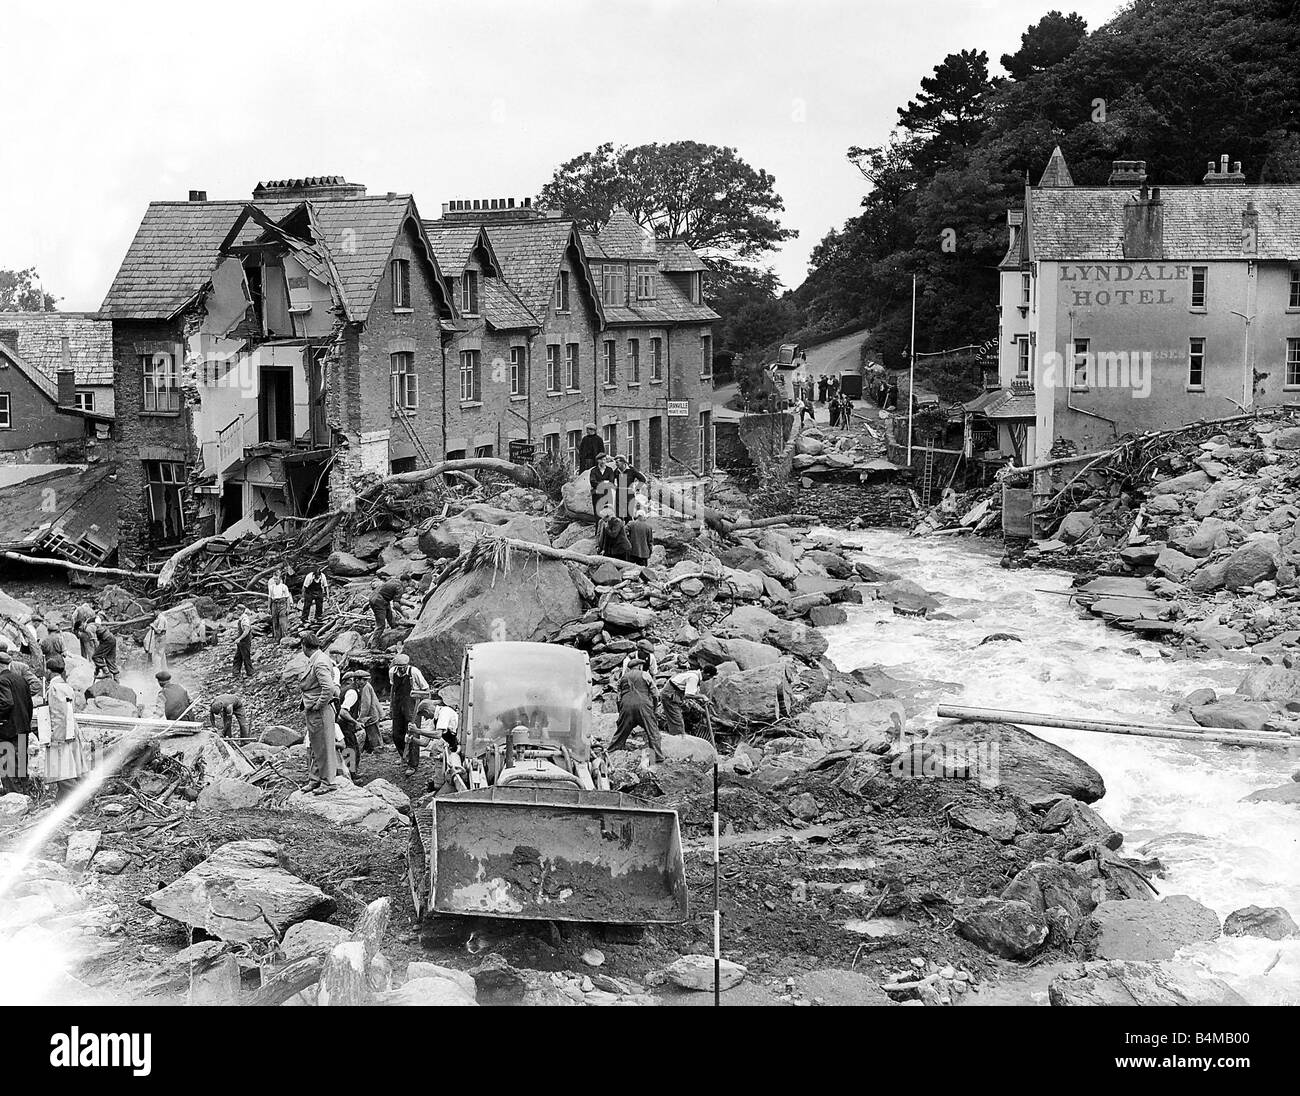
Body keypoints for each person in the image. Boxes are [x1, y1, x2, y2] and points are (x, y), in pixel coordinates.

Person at [42, 656, 86, 804]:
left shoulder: (55, 688)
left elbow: (59, 715)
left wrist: (55, 739)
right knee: (69, 769)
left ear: (49, 671)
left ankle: (77, 801)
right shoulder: (66, 686)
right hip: (70, 732)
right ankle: (60, 803)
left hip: (61, 735)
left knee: (63, 773)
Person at [299, 632, 338, 795]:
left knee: (325, 746)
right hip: (313, 709)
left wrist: (318, 704)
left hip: (319, 710)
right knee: (316, 746)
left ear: (304, 646)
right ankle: (315, 779)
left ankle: (328, 782)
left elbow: (329, 688)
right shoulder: (317, 659)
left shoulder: (319, 661)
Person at [611, 656, 664, 763]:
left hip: (626, 706)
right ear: (640, 667)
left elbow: (618, 698)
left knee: (621, 731)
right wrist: (653, 709)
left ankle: (612, 752)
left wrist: (621, 713)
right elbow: (655, 694)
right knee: (652, 732)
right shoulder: (645, 674)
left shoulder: (623, 678)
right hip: (643, 706)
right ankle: (657, 757)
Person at [0, 650, 34, 792]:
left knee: (7, 765)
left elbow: (7, 702)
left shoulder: (1, 680)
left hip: (7, 729)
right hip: (23, 727)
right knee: (21, 764)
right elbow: (29, 703)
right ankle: (26, 794)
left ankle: (14, 797)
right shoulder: (21, 679)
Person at [387, 652, 429, 761]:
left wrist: (423, 707)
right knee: (397, 734)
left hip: (412, 706)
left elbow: (425, 689)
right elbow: (393, 689)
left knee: (412, 734)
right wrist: (391, 707)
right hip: (398, 704)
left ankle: (413, 763)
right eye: (399, 667)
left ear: (407, 665)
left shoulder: (414, 672)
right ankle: (404, 756)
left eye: (403, 667)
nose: (401, 669)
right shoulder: (392, 672)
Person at [341, 668, 383, 754]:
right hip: (350, 720)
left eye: (366, 680)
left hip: (370, 715)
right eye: (364, 680)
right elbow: (343, 711)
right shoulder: (353, 691)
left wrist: (361, 718)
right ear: (356, 680)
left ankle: (378, 750)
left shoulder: (364, 687)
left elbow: (366, 704)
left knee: (373, 733)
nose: (365, 682)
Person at [368, 577, 409, 648]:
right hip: (379, 601)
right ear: (405, 582)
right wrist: (403, 613)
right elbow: (396, 604)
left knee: (388, 611)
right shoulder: (400, 587)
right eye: (407, 585)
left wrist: (409, 604)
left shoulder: (393, 580)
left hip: (375, 597)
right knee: (381, 624)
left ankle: (393, 626)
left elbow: (394, 598)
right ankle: (373, 646)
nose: (407, 587)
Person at [660, 669, 701, 738]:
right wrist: (702, 696)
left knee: (679, 715)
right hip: (670, 695)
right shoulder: (694, 677)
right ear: (707, 674)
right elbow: (688, 695)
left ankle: (674, 733)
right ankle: (678, 739)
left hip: (676, 695)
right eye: (708, 678)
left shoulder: (694, 674)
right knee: (677, 719)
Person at [611, 454, 649, 521]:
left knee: (628, 514)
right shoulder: (616, 471)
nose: (616, 464)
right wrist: (614, 486)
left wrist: (637, 489)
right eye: (615, 462)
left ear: (623, 462)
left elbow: (643, 479)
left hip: (629, 494)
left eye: (617, 462)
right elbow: (611, 480)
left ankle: (629, 529)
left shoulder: (631, 470)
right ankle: (621, 530)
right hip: (619, 494)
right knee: (619, 514)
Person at [588, 453, 617, 520]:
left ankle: (606, 530)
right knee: (598, 514)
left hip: (607, 495)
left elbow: (611, 482)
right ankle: (598, 529)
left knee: (608, 513)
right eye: (601, 460)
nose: (603, 461)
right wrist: (604, 482)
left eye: (604, 460)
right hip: (597, 495)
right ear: (598, 461)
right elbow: (593, 482)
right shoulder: (594, 471)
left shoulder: (609, 470)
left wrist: (601, 483)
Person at [267, 572, 292, 642]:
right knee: (275, 622)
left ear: (280, 578)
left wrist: (288, 607)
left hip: (282, 604)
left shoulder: (284, 587)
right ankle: (277, 639)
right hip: (274, 604)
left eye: (276, 579)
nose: (275, 580)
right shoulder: (271, 587)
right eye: (274, 579)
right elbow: (269, 597)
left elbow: (287, 597)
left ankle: (285, 639)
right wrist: (269, 607)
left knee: (282, 622)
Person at [232, 608, 254, 678]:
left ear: (242, 611)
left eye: (238, 610)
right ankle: (236, 672)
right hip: (241, 641)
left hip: (245, 641)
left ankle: (250, 672)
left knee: (246, 657)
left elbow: (246, 631)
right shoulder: (241, 618)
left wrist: (239, 639)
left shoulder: (245, 619)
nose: (237, 611)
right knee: (238, 657)